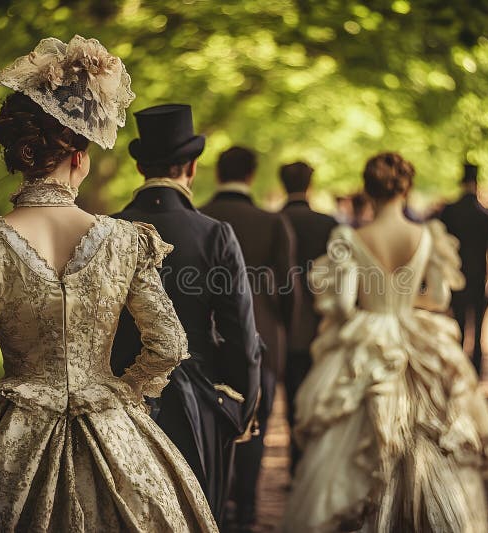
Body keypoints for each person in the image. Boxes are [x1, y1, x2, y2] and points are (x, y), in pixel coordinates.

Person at [0, 36, 217, 532]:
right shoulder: (126, 241)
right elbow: (169, 343)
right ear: (78, 156)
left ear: (22, 155)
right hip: (110, 425)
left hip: (11, 434)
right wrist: (121, 393)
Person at [284, 152, 488, 533]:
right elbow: (439, 297)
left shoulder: (350, 239)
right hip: (415, 334)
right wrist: (404, 303)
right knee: (428, 431)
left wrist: (373, 305)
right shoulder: (428, 236)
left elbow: (342, 305)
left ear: (368, 190)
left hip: (369, 334)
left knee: (356, 433)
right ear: (407, 189)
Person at [111, 106, 262, 526]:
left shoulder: (105, 230)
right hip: (198, 404)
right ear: (192, 167)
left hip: (117, 402)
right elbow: (241, 333)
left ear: (140, 166)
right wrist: (243, 407)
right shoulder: (215, 235)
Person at [200, 147, 299, 530]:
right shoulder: (271, 223)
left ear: (218, 173)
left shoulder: (201, 217)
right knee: (255, 425)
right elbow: (288, 287)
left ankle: (214, 509)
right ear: (252, 175)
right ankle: (247, 511)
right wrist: (284, 329)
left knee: (209, 427)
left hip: (207, 338)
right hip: (264, 334)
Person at [277, 161, 337, 476]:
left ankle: (296, 462)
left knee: (292, 394)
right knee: (319, 396)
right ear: (310, 185)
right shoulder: (327, 224)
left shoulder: (274, 220)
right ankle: (313, 464)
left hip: (282, 324)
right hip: (320, 322)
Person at [439, 163, 488, 376]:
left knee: (459, 326)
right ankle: (476, 372)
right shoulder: (487, 215)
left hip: (456, 277)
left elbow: (444, 249)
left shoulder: (449, 211)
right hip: (479, 276)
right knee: (479, 329)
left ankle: (459, 372)